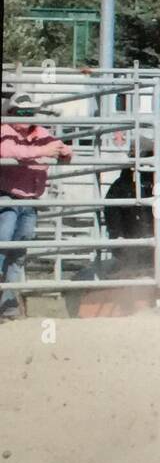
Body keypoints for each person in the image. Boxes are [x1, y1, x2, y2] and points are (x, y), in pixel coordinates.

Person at [1, 92, 73, 321]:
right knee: (2, 249)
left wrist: (64, 151)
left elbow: (59, 146)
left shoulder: (40, 132)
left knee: (18, 253)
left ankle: (9, 306)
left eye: (29, 112)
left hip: (29, 201)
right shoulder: (5, 130)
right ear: (11, 113)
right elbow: (9, 152)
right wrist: (43, 152)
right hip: (6, 198)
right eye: (21, 112)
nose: (25, 116)